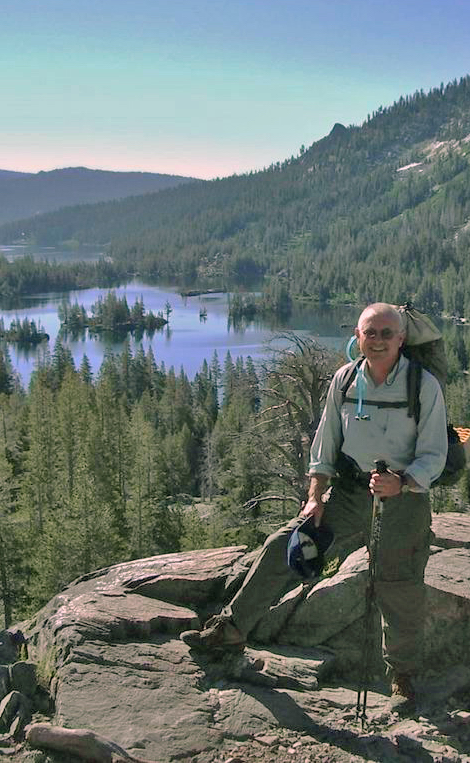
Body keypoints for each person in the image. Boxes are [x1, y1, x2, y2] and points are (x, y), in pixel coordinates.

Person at [181, 302, 448, 712]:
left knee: (399, 586)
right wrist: (315, 496)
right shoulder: (346, 380)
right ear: (357, 337)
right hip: (350, 494)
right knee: (286, 546)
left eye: (386, 334)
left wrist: (404, 482)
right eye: (370, 333)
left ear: (401, 338)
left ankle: (403, 677)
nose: (377, 341)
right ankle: (231, 629)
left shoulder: (421, 385)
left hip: (404, 501)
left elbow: (434, 454)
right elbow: (325, 444)